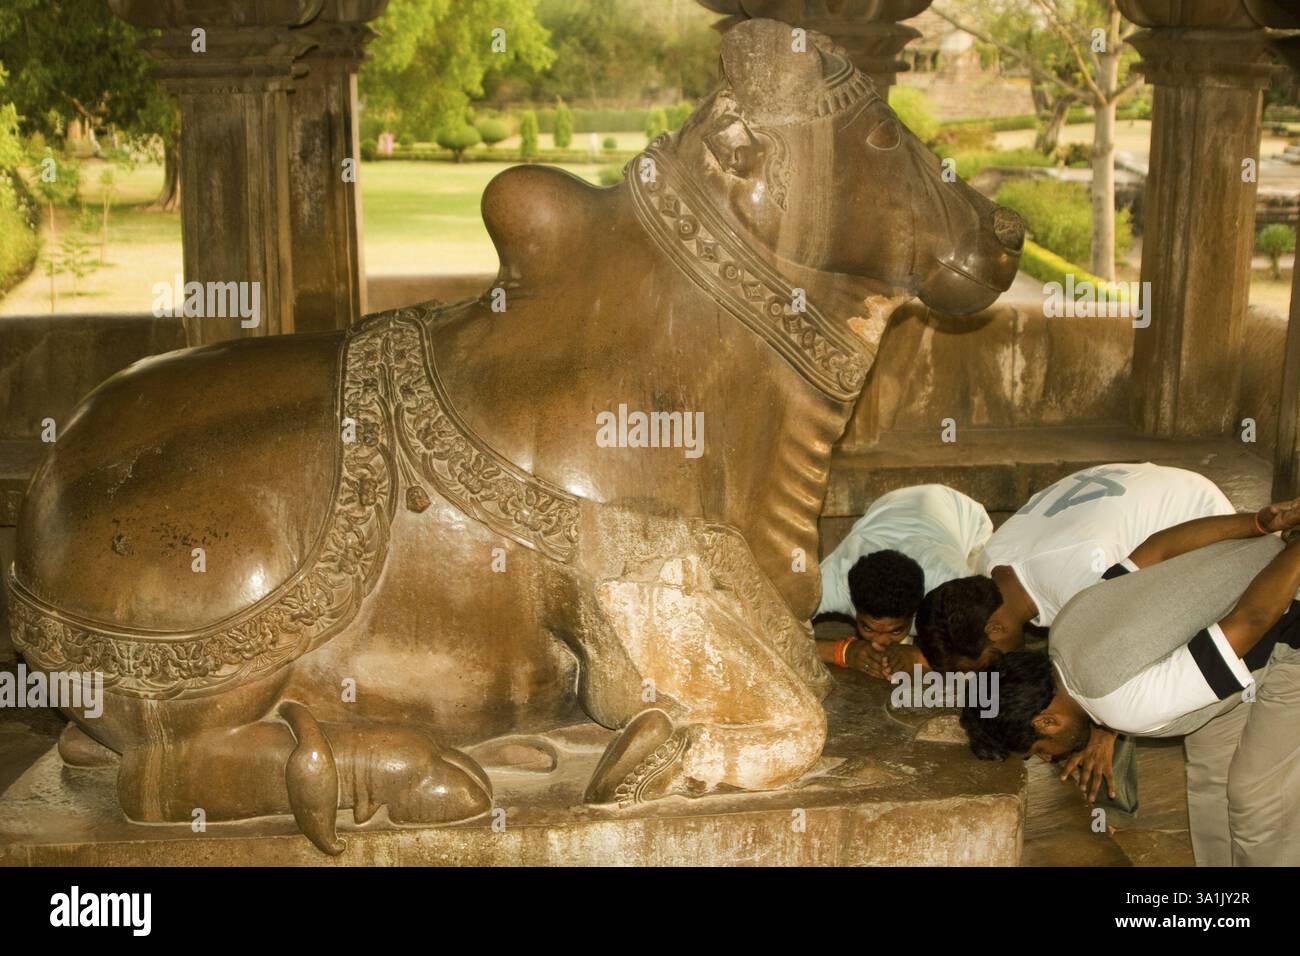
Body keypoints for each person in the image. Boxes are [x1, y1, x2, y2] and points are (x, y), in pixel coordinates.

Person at [961, 495, 1300, 865]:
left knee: (1259, 797)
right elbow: (1159, 547)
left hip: (1288, 618)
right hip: (1256, 582)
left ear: (1046, 721)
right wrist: (1259, 525)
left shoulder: (1126, 707)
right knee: (1211, 773)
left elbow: (1252, 619)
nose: (1046, 758)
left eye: (1040, 750)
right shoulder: (1066, 626)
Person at [922, 463, 1234, 670]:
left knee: (1111, 685)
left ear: (996, 629)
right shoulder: (990, 562)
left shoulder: (1081, 585)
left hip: (1203, 516)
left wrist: (1105, 731)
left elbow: (1127, 653)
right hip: (1152, 481)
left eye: (990, 663)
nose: (992, 671)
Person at [816, 485, 992, 677]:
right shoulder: (835, 577)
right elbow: (778, 629)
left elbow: (992, 646)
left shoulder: (948, 580)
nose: (879, 643)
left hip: (960, 512)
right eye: (867, 627)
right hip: (890, 503)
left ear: (916, 610)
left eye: (895, 630)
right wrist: (843, 652)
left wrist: (923, 658)